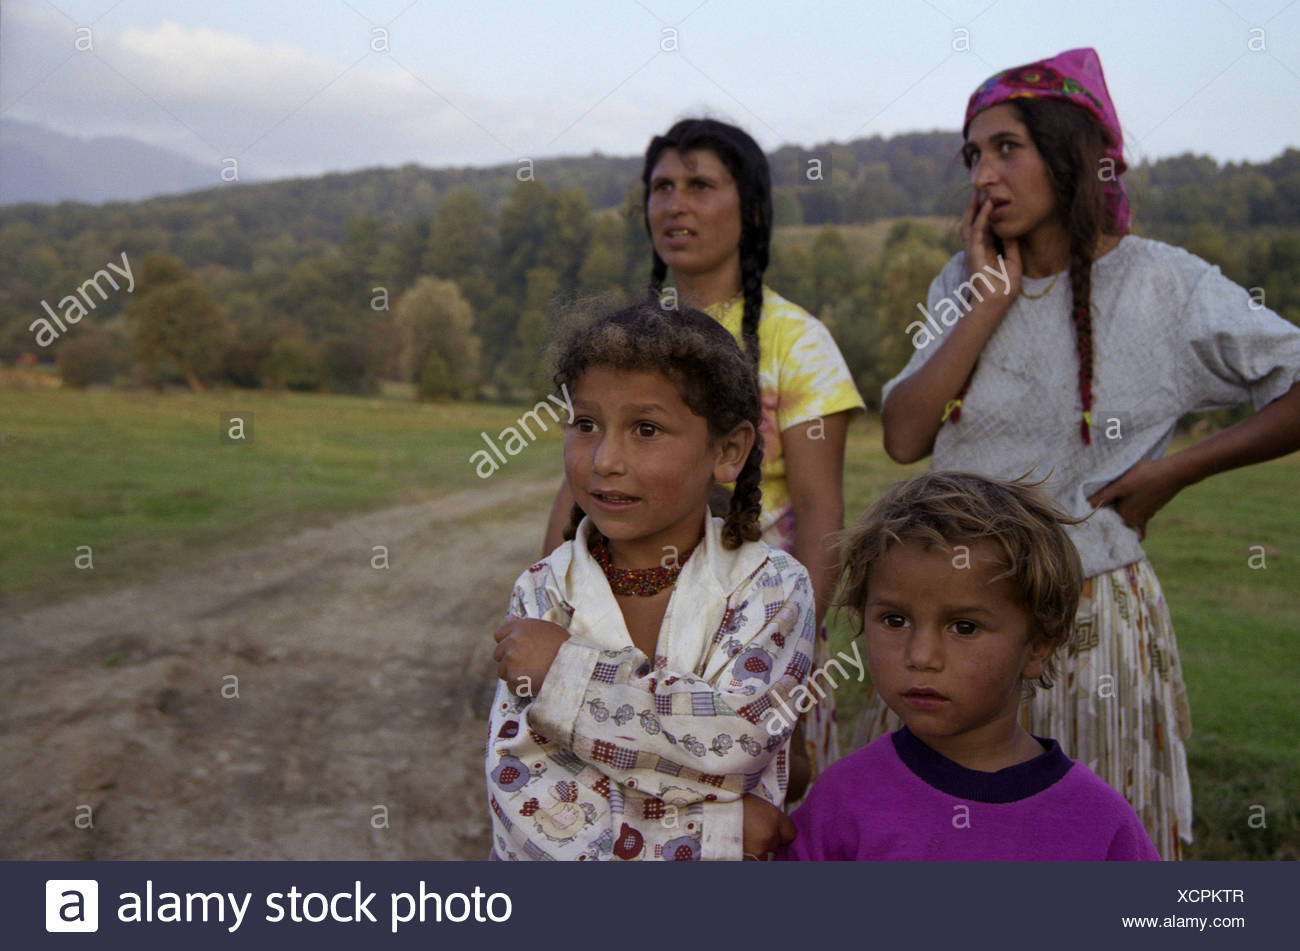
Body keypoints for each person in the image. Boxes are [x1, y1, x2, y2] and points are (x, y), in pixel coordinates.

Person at [863, 47, 1300, 859]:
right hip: (948, 612)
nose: (982, 174)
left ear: (1070, 151)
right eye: (973, 154)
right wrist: (987, 304)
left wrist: (1173, 472)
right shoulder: (966, 280)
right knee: (954, 851)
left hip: (1090, 621)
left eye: (1006, 148)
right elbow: (903, 434)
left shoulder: (1166, 286)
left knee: (1089, 850)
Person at [542, 118, 864, 796]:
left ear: (750, 209)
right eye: (661, 187)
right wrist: (551, 609)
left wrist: (791, 664)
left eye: (699, 185)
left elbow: (820, 513)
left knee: (742, 821)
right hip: (614, 636)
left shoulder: (798, 342)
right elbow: (577, 494)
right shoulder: (624, 342)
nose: (674, 204)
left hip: (751, 648)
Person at [489, 301, 808, 860]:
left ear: (728, 451)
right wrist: (718, 836)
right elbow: (527, 798)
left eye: (646, 429)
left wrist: (566, 674)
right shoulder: (543, 593)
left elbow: (736, 744)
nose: (606, 459)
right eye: (586, 424)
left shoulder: (771, 588)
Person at [782, 472, 1160, 860]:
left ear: (1038, 648)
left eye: (964, 627)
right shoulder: (844, 799)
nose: (921, 656)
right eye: (895, 620)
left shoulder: (1096, 821)